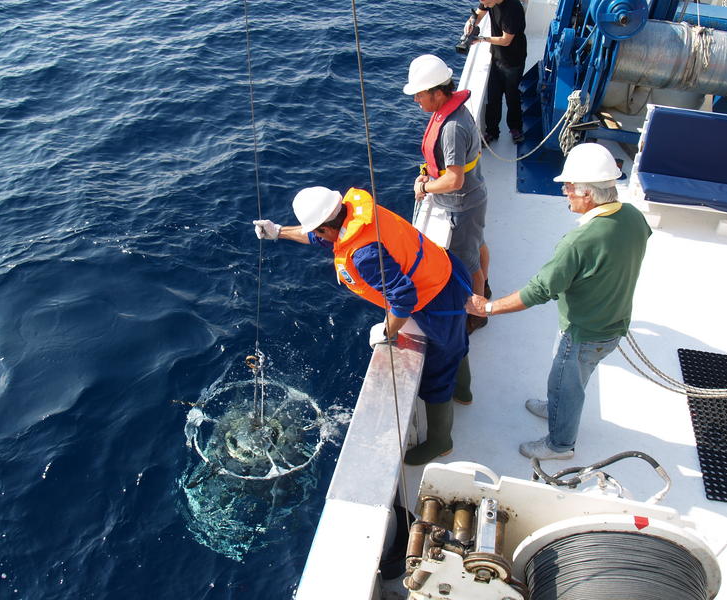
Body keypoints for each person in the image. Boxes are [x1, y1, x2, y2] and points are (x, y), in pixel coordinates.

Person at [253, 186, 473, 465]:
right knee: (456, 344)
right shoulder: (353, 213)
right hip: (443, 268)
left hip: (437, 298)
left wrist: (387, 332)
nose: (318, 237)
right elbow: (319, 236)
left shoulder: (364, 255)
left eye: (318, 231)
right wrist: (279, 231)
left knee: (439, 369)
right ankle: (464, 393)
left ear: (325, 228)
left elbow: (404, 299)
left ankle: (442, 441)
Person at [466, 144, 651, 459]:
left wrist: (487, 307)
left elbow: (539, 290)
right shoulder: (633, 216)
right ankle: (556, 406)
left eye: (569, 187)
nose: (565, 192)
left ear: (588, 195)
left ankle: (560, 444)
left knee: (567, 383)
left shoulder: (578, 242)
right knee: (572, 378)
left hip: (582, 333)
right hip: (613, 325)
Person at [403, 54, 491, 339]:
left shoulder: (451, 128)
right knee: (478, 245)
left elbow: (454, 179)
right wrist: (429, 176)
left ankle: (478, 313)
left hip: (463, 205)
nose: (417, 100)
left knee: (468, 263)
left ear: (438, 94)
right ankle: (484, 288)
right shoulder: (455, 114)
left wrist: (425, 188)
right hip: (473, 199)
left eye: (420, 95)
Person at [467, 0, 527, 144]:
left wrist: (481, 39)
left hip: (513, 61)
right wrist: (471, 24)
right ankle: (492, 131)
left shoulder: (512, 9)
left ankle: (515, 128)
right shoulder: (489, 2)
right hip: (497, 57)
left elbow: (506, 40)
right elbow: (479, 13)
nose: (485, 5)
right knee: (493, 97)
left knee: (512, 96)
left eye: (486, 3)